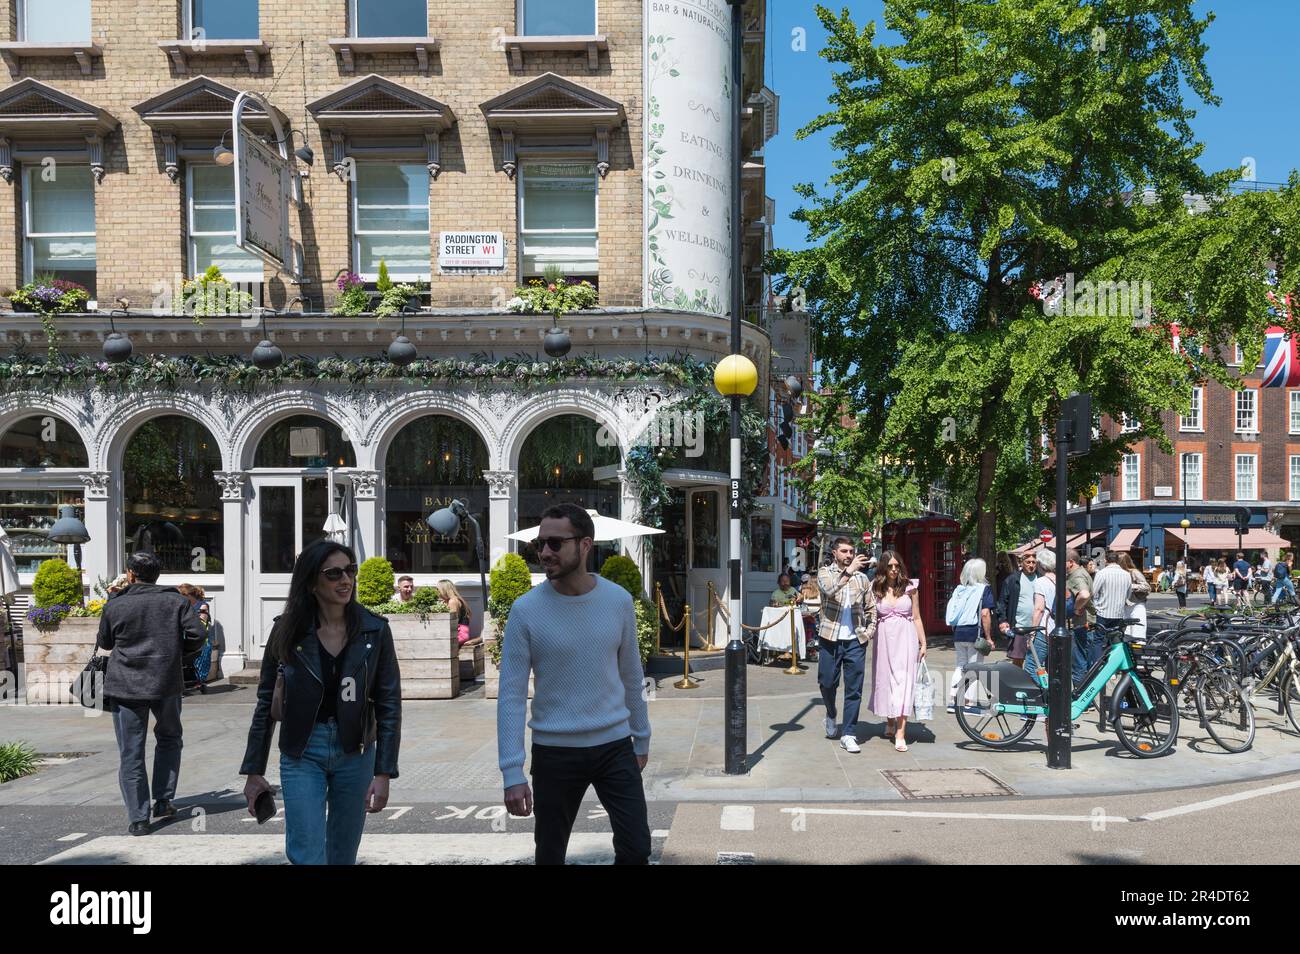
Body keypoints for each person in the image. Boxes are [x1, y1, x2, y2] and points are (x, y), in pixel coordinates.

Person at [499, 503, 651, 865]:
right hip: (554, 752)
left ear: (585, 545)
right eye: (540, 544)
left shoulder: (618, 601)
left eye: (554, 543)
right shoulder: (525, 610)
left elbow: (632, 675)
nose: (545, 553)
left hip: (615, 746)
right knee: (550, 854)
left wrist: (641, 735)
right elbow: (511, 696)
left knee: (636, 848)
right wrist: (511, 771)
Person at [241, 541, 401, 865]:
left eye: (350, 570)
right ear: (312, 583)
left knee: (343, 853)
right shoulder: (286, 631)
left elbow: (389, 704)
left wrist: (384, 772)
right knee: (306, 852)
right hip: (303, 751)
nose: (346, 580)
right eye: (334, 573)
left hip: (355, 752)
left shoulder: (375, 630)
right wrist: (254, 769)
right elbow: (264, 702)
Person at [96, 552, 207, 836]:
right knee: (170, 739)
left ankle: (138, 818)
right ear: (157, 575)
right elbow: (198, 635)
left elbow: (105, 642)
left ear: (131, 574)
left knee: (131, 751)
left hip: (126, 684)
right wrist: (176, 655)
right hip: (166, 682)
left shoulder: (116, 605)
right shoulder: (177, 601)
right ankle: (164, 800)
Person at [816, 537, 876, 752]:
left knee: (854, 689)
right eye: (844, 551)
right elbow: (829, 590)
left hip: (855, 641)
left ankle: (849, 733)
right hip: (830, 638)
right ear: (834, 553)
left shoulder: (862, 579)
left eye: (851, 551)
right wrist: (849, 571)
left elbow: (871, 608)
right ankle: (831, 714)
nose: (848, 555)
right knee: (827, 683)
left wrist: (869, 632)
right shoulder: (825, 573)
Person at [868, 551, 926, 752]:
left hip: (906, 638)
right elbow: (870, 616)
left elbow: (917, 617)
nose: (894, 570)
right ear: (883, 568)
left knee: (903, 683)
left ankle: (901, 733)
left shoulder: (910, 588)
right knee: (886, 681)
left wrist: (923, 643)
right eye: (890, 566)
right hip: (883, 640)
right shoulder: (875, 588)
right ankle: (890, 721)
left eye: (897, 566)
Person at [945, 558, 994, 713]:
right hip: (975, 633)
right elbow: (985, 614)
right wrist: (989, 637)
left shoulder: (959, 589)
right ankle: (966, 703)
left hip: (959, 632)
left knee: (960, 666)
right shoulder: (984, 589)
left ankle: (953, 700)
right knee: (974, 669)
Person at [996, 550, 1039, 668]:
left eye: (1033, 562)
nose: (1031, 565)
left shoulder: (1041, 579)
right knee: (1018, 661)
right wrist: (1002, 620)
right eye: (1028, 562)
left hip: (1038, 628)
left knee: (1037, 662)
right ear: (1022, 562)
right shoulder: (1012, 579)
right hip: (1019, 627)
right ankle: (1019, 683)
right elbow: (1002, 602)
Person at [1025, 549, 1058, 681]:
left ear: (1041, 565)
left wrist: (1032, 632)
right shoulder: (1061, 580)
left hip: (1043, 630)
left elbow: (1039, 608)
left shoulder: (1041, 582)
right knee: (1052, 667)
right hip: (1057, 629)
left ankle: (1041, 696)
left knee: (1032, 666)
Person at [1064, 550, 1096, 686]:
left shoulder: (1076, 576)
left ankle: (1079, 696)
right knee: (1084, 660)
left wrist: (1075, 609)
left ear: (1071, 562)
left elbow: (1083, 594)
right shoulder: (1082, 573)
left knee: (1078, 662)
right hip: (1085, 624)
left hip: (1080, 624)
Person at [176, 583, 212, 694]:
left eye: (182, 596)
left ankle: (198, 682)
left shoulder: (202, 606)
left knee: (197, 664)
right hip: (185, 640)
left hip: (200, 642)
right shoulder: (183, 607)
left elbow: (201, 625)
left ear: (188, 595)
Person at [1115, 552, 1150, 639]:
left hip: (1136, 604)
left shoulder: (1134, 572)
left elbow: (1146, 587)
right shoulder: (1117, 573)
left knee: (1138, 630)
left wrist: (1131, 586)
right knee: (1125, 631)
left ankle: (1139, 649)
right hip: (1123, 605)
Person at [437, 579, 473, 644]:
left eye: (438, 589)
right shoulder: (451, 600)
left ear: (444, 590)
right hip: (459, 633)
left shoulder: (452, 601)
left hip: (459, 635)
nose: (437, 592)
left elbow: (452, 622)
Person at [798, 572, 820, 661]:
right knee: (813, 633)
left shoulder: (802, 592)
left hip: (806, 618)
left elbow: (799, 604)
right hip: (816, 618)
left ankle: (808, 650)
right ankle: (813, 651)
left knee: (807, 631)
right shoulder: (819, 592)